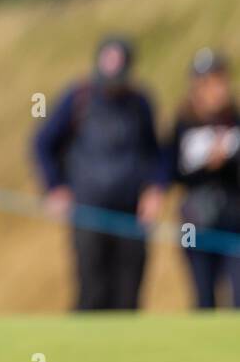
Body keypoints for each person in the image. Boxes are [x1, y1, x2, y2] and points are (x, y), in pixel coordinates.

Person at [32, 35, 166, 310]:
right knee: (92, 290)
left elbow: (156, 153)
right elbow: (42, 142)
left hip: (131, 214)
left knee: (128, 295)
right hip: (88, 211)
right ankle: (81, 351)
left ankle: (125, 352)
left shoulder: (140, 103)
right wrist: (55, 187)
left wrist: (155, 188)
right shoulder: (78, 97)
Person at [162, 48, 240, 308]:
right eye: (207, 82)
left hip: (234, 218)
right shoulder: (184, 123)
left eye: (219, 80)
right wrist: (206, 165)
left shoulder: (235, 120)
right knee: (203, 295)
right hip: (194, 221)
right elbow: (171, 170)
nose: (215, 89)